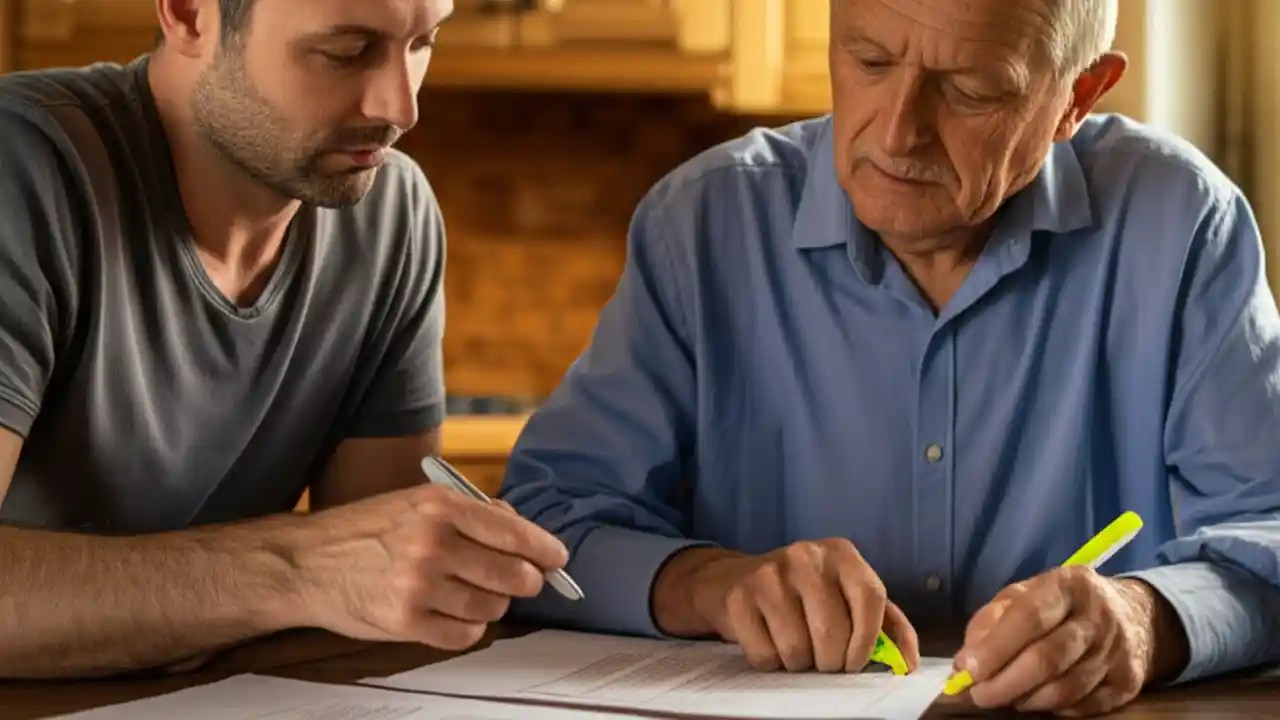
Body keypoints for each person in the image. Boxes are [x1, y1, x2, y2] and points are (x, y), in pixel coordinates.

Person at [501, 0, 1280, 714]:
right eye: (870, 61)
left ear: (1078, 96)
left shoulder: (1181, 226)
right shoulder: (704, 223)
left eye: (970, 90)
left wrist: (1144, 619)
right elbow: (541, 531)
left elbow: (1268, 536)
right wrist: (715, 586)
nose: (898, 131)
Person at [0, 0, 570, 680]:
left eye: (423, 43)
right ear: (188, 15)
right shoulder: (23, 168)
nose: (401, 106)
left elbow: (378, 611)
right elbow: (331, 576)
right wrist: (298, 569)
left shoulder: (391, 216)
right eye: (347, 51)